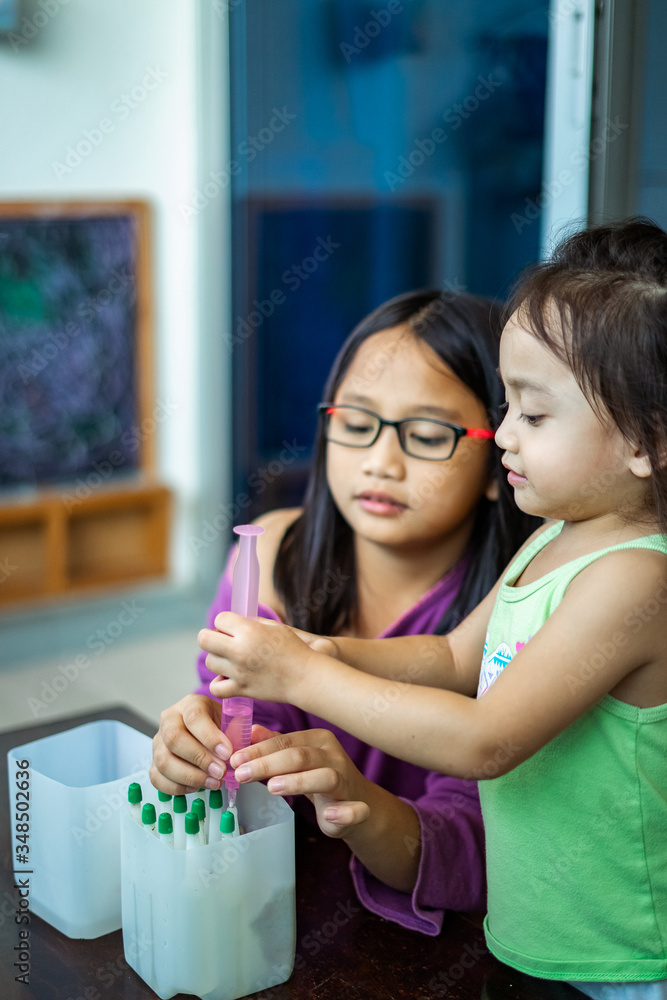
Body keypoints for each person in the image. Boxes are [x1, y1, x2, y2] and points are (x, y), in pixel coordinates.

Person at [201, 219, 667, 998]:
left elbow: (486, 740)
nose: (503, 435)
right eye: (505, 407)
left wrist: (305, 679)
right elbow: (452, 658)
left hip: (626, 961)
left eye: (534, 416)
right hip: (536, 941)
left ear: (646, 440)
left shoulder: (635, 579)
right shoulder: (556, 537)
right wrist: (325, 652)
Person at [151, 288, 538, 935]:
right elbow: (246, 727)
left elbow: (477, 853)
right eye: (356, 425)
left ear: (502, 457)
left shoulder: (521, 605)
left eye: (426, 435)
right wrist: (199, 741)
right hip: (279, 904)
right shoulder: (271, 555)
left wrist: (356, 802)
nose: (381, 462)